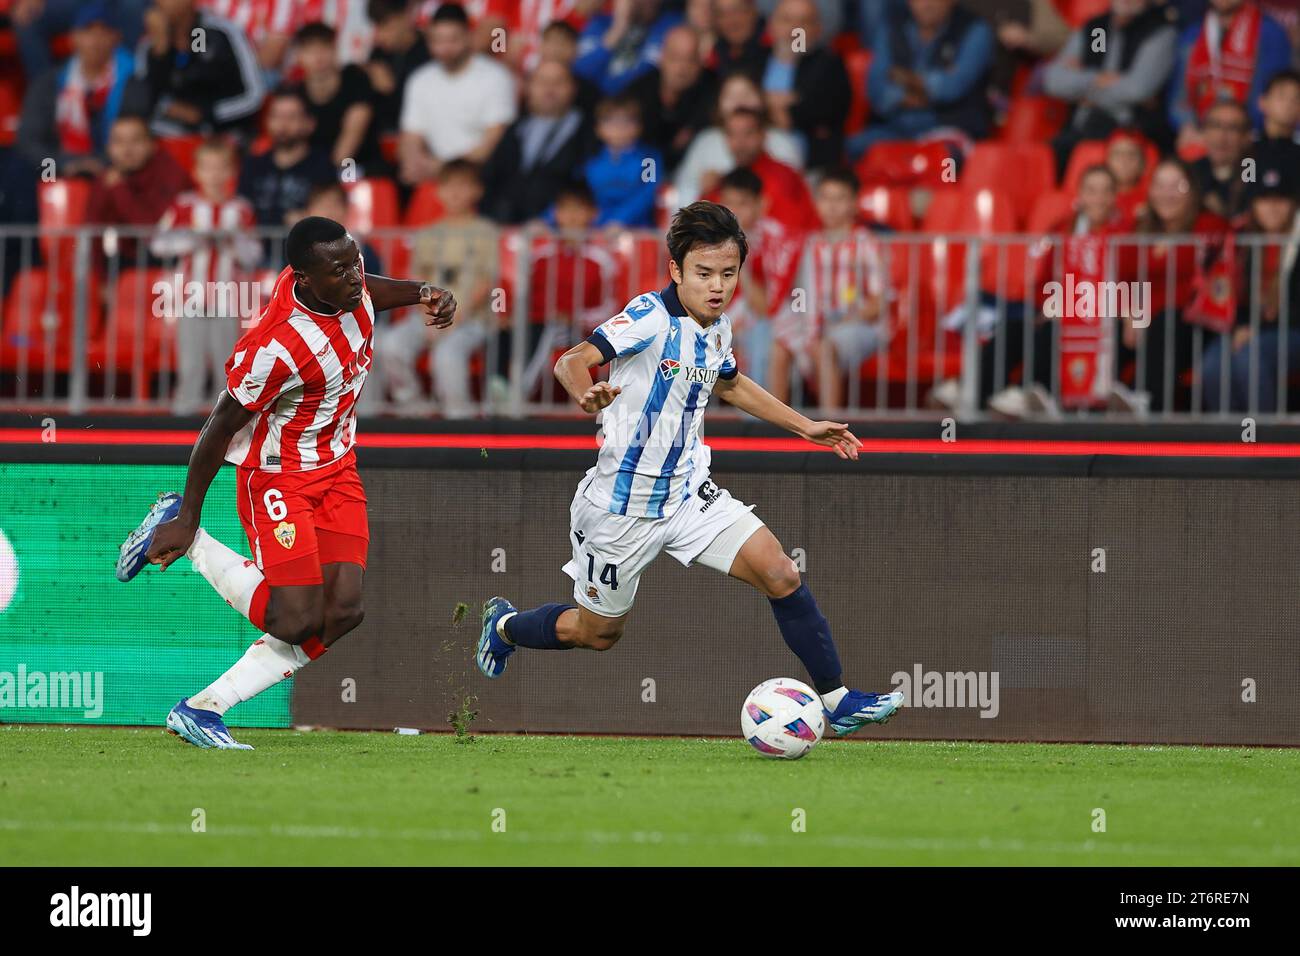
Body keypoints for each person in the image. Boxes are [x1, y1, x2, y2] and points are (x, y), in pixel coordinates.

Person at [472, 200, 904, 738]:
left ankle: (835, 699)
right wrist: (588, 395)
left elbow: (730, 382)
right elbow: (571, 360)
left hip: (688, 495)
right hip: (620, 509)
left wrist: (805, 426)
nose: (717, 285)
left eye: (728, 273)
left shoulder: (718, 326)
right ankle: (507, 625)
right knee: (597, 633)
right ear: (676, 270)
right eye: (703, 273)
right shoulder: (649, 316)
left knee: (781, 571)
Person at [115, 215, 458, 750]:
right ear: (303, 278)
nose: (355, 276)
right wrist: (191, 516)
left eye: (355, 260)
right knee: (295, 619)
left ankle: (203, 709)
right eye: (339, 269)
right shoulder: (276, 348)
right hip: (279, 477)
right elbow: (218, 428)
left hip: (339, 469)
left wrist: (422, 293)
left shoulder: (349, 289)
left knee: (344, 611)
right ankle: (192, 539)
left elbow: (371, 294)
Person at [377, 160, 500, 417]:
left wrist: (456, 316)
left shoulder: (486, 232)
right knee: (390, 345)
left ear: (477, 191)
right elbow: (418, 279)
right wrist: (428, 312)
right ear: (438, 191)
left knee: (446, 355)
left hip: (471, 318)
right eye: (448, 186)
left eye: (463, 186)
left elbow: (487, 282)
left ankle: (458, 417)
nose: (455, 193)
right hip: (427, 315)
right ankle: (412, 407)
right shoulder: (427, 234)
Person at [149, 137, 261, 415]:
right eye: (207, 168)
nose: (214, 175)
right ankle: (183, 421)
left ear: (231, 172)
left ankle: (221, 427)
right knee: (190, 364)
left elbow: (253, 254)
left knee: (227, 365)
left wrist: (232, 243)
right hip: (192, 298)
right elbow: (158, 243)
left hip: (229, 300)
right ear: (196, 172)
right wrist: (192, 240)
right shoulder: (184, 205)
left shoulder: (241, 209)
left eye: (220, 168)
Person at [1201, 158, 1300, 411]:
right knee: (1213, 364)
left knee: (1250, 357)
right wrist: (1239, 328)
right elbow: (1229, 294)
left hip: (1292, 331)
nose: (1273, 208)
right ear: (1254, 205)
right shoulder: (1242, 241)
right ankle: (1231, 442)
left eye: (1281, 200)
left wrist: (1261, 330)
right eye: (1265, 200)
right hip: (1249, 330)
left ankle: (1263, 441)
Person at [16, 2, 152, 180]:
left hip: (120, 173)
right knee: (21, 171)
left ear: (117, 37)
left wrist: (102, 165)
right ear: (73, 38)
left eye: (104, 31)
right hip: (59, 168)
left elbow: (139, 137)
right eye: (88, 31)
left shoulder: (134, 80)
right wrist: (62, 165)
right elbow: (28, 140)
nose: (96, 39)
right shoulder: (49, 83)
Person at [1042, 0, 1179, 171]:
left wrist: (1083, 91)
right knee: (1049, 155)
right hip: (1083, 126)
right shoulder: (1098, 29)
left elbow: (1137, 90)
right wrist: (1096, 79)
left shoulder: (1157, 31)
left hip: (1131, 129)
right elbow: (1053, 80)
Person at [854, 0, 995, 157]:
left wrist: (902, 77)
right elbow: (876, 89)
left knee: (946, 164)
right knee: (851, 149)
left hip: (949, 130)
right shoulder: (892, 23)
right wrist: (921, 91)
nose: (927, 4)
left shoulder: (974, 28)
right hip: (893, 129)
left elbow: (952, 88)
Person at [397, 2, 517, 185]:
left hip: (480, 180)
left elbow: (492, 142)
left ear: (469, 36)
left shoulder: (496, 77)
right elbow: (411, 135)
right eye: (437, 41)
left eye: (453, 40)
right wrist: (413, 163)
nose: (445, 49)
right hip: (431, 180)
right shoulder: (420, 80)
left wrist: (443, 168)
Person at [805, 167, 889, 413]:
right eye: (825, 198)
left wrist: (840, 324)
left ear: (854, 203)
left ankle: (829, 426)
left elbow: (878, 302)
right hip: (815, 325)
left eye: (839, 199)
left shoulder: (867, 243)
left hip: (859, 326)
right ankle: (770, 431)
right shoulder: (809, 243)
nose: (831, 206)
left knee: (824, 347)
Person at [479, 59, 595, 225]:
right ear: (528, 87)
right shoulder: (515, 129)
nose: (549, 89)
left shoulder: (590, 132)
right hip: (508, 229)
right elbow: (493, 179)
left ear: (573, 87)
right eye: (542, 81)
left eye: (559, 82)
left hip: (564, 232)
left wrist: (548, 220)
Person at [1170, 0, 1292, 150]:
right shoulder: (1192, 34)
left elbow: (1272, 95)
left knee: (1250, 168)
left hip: (1251, 138)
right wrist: (1187, 127)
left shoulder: (1270, 34)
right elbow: (1179, 96)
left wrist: (1233, 133)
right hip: (1198, 136)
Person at [135, 0, 266, 138]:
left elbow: (254, 95)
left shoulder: (219, 33)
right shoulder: (151, 46)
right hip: (173, 138)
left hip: (225, 135)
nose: (160, 4)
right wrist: (160, 54)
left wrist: (206, 113)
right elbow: (146, 100)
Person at [674, 70, 805, 205]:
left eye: (747, 93)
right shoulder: (705, 141)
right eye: (730, 95)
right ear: (719, 102)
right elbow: (682, 194)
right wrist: (702, 189)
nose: (739, 101)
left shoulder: (783, 142)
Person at [759, 0, 852, 172]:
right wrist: (781, 102)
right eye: (787, 20)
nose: (794, 30)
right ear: (771, 25)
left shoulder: (829, 64)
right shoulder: (755, 60)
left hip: (805, 161)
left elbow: (816, 112)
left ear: (818, 29)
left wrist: (762, 103)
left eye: (803, 22)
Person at [86, 113, 191, 264]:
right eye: (118, 141)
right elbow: (92, 234)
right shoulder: (105, 180)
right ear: (108, 148)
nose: (127, 149)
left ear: (151, 145)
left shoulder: (172, 174)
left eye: (136, 140)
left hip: (165, 263)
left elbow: (152, 234)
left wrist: (120, 190)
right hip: (122, 265)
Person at [290, 21, 386, 176]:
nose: (318, 57)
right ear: (299, 56)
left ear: (335, 49)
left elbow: (351, 138)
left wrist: (326, 178)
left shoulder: (355, 79)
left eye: (324, 48)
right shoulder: (296, 93)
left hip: (356, 165)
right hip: (315, 172)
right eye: (310, 51)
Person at [624, 24, 718, 173]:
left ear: (701, 62)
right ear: (661, 57)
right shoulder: (638, 92)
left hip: (693, 174)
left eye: (690, 60)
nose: (682, 68)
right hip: (646, 173)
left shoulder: (714, 89)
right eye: (675, 58)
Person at [238, 88, 337, 229]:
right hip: (254, 249)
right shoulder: (253, 165)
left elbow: (331, 216)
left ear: (310, 124)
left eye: (291, 117)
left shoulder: (323, 167)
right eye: (276, 116)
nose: (282, 125)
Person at [573, 0, 685, 95]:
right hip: (594, 107)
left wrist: (606, 84)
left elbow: (645, 78)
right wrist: (618, 30)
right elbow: (581, 73)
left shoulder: (671, 26)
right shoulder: (601, 23)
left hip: (641, 106)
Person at [583, 95, 663, 228]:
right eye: (611, 121)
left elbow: (647, 194)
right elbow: (576, 196)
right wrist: (547, 220)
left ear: (639, 127)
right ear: (598, 129)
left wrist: (619, 220)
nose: (620, 127)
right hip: (595, 230)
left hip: (639, 232)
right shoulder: (590, 161)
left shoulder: (649, 159)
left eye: (627, 120)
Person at [365, 0, 431, 135]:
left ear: (405, 17)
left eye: (386, 26)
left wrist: (390, 90)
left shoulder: (429, 53)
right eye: (377, 26)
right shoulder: (378, 54)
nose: (381, 35)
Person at [1189, 99, 1253, 222]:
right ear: (1204, 132)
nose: (1221, 137)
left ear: (1246, 137)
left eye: (1232, 128)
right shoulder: (1191, 171)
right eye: (1215, 126)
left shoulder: (1252, 168)